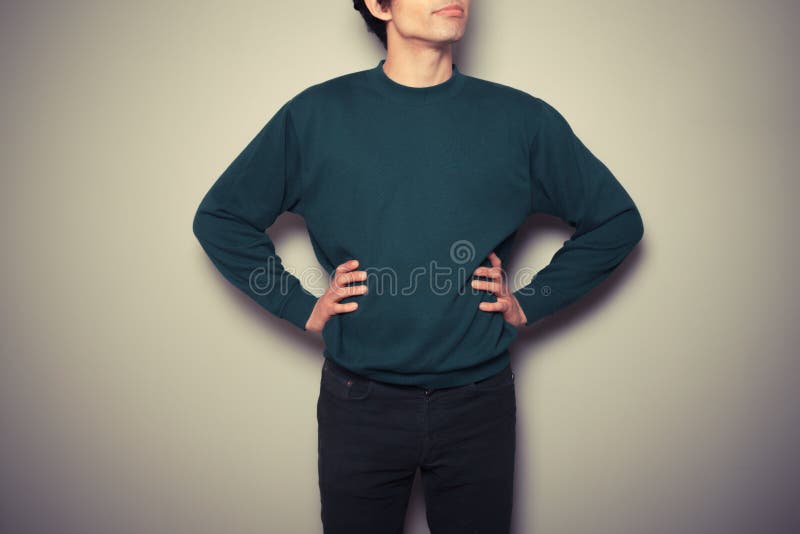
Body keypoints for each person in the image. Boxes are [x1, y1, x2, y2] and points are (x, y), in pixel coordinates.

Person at [192, 1, 644, 532]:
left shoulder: (521, 120)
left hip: (478, 406)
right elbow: (221, 218)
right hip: (358, 405)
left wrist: (532, 299)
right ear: (379, 5)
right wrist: (297, 304)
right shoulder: (316, 116)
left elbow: (615, 220)